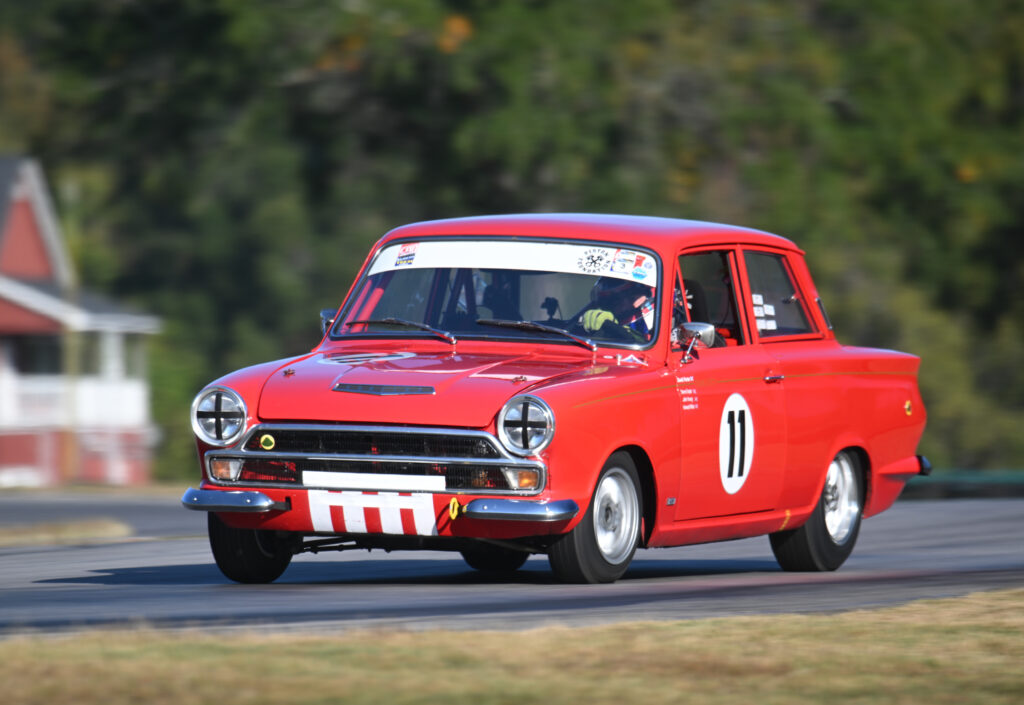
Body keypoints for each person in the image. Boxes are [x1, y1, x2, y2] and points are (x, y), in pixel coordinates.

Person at [581, 277, 654, 342]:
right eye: (609, 301)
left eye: (617, 299)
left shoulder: (652, 328)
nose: (616, 306)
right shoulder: (601, 316)